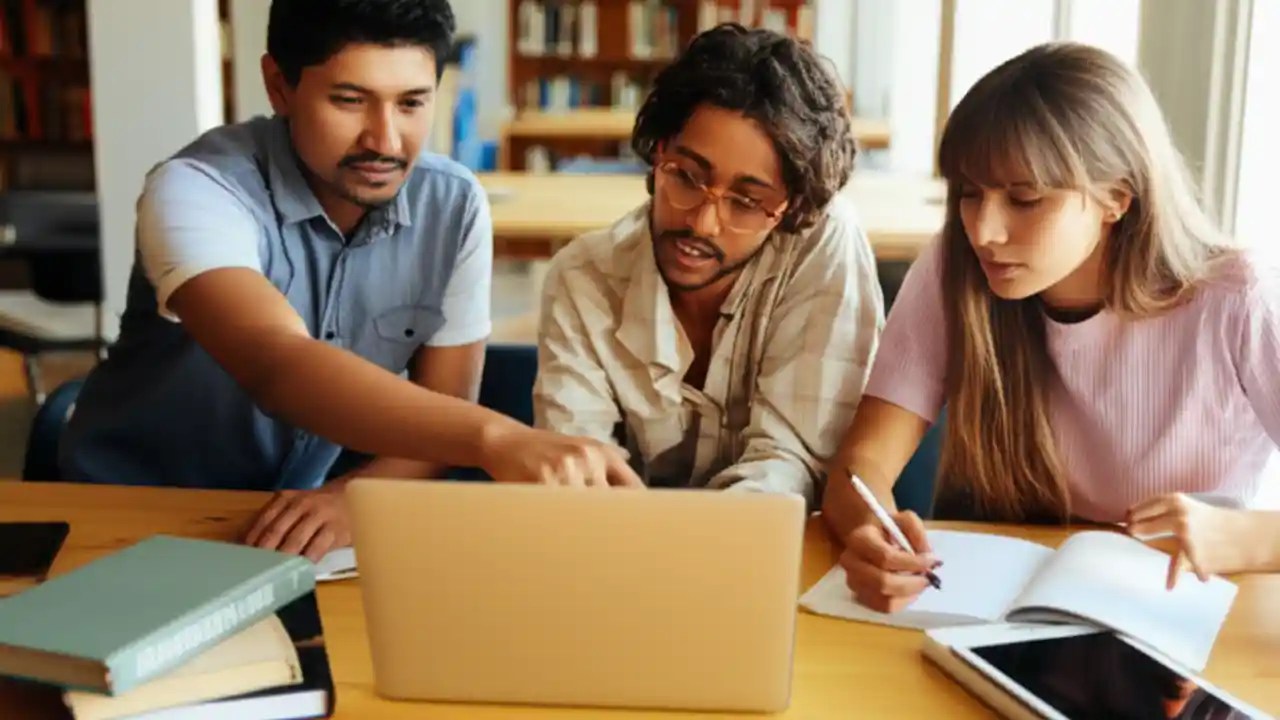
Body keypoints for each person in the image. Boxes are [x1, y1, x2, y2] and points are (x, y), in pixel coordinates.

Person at [59, 0, 640, 562]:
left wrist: (347, 499)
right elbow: (276, 362)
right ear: (279, 85)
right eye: (349, 100)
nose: (385, 141)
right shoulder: (197, 189)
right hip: (129, 512)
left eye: (412, 103)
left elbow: (442, 409)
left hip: (294, 533)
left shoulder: (454, 205)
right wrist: (498, 438)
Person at [821, 41, 1280, 612]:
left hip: (1190, 606)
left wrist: (1243, 536)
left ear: (1116, 198)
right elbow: (860, 466)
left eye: (1025, 199)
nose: (984, 230)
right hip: (1011, 601)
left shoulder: (1239, 297)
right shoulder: (952, 267)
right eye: (969, 194)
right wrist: (872, 533)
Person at [532, 24, 883, 507]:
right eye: (688, 177)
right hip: (627, 551)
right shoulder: (582, 278)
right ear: (659, 153)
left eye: (746, 201)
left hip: (765, 558)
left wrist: (708, 547)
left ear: (791, 209)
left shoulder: (823, 246)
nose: (703, 223)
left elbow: (793, 459)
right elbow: (579, 470)